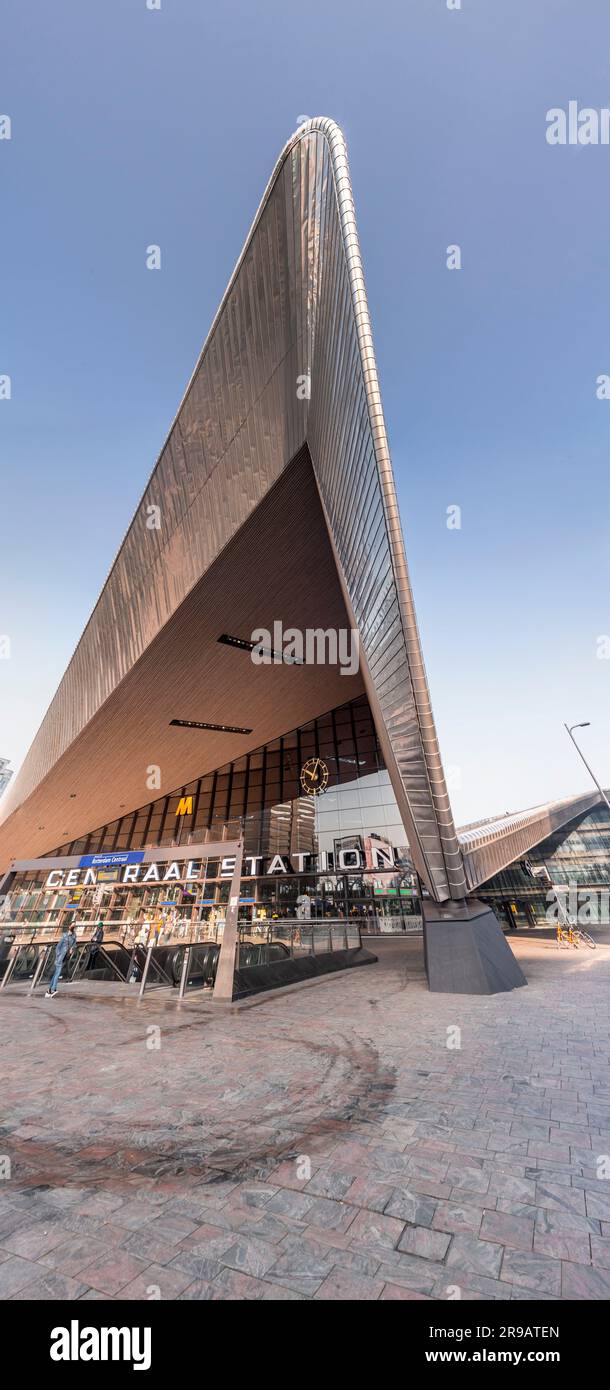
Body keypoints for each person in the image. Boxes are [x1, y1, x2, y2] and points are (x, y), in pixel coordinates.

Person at [45, 923, 77, 997]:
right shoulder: (64, 935)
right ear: (69, 927)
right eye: (72, 925)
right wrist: (58, 956)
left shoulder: (74, 936)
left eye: (74, 926)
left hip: (66, 957)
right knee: (58, 973)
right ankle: (53, 989)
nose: (73, 927)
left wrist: (72, 948)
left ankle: (49, 990)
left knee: (56, 973)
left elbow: (75, 944)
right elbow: (58, 947)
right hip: (60, 957)